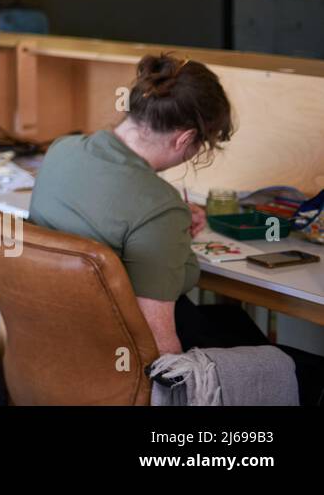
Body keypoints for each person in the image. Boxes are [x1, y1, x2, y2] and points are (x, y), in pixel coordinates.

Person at [29, 52, 323, 405]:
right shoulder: (158, 208)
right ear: (184, 139)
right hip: (126, 364)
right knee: (311, 373)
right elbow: (163, 353)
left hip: (62, 349)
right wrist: (163, 219)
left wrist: (168, 227)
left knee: (232, 319)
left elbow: (116, 210)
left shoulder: (63, 150)